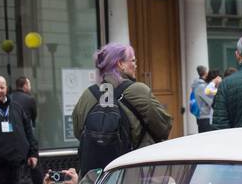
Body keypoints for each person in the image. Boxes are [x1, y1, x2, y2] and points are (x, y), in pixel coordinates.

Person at [71, 42, 171, 173]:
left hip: (97, 177)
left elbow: (78, 131)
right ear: (120, 64)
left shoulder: (88, 95)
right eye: (133, 61)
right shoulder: (139, 90)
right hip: (136, 173)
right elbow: (164, 127)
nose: (136, 65)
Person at [0, 75, 38, 184]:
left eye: (2, 87)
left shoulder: (16, 107)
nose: (0, 91)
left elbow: (28, 130)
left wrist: (33, 153)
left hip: (16, 165)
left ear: (6, 88)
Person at [192, 67, 216, 132]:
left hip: (201, 116)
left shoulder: (197, 85)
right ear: (205, 73)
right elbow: (211, 102)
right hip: (205, 117)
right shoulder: (202, 87)